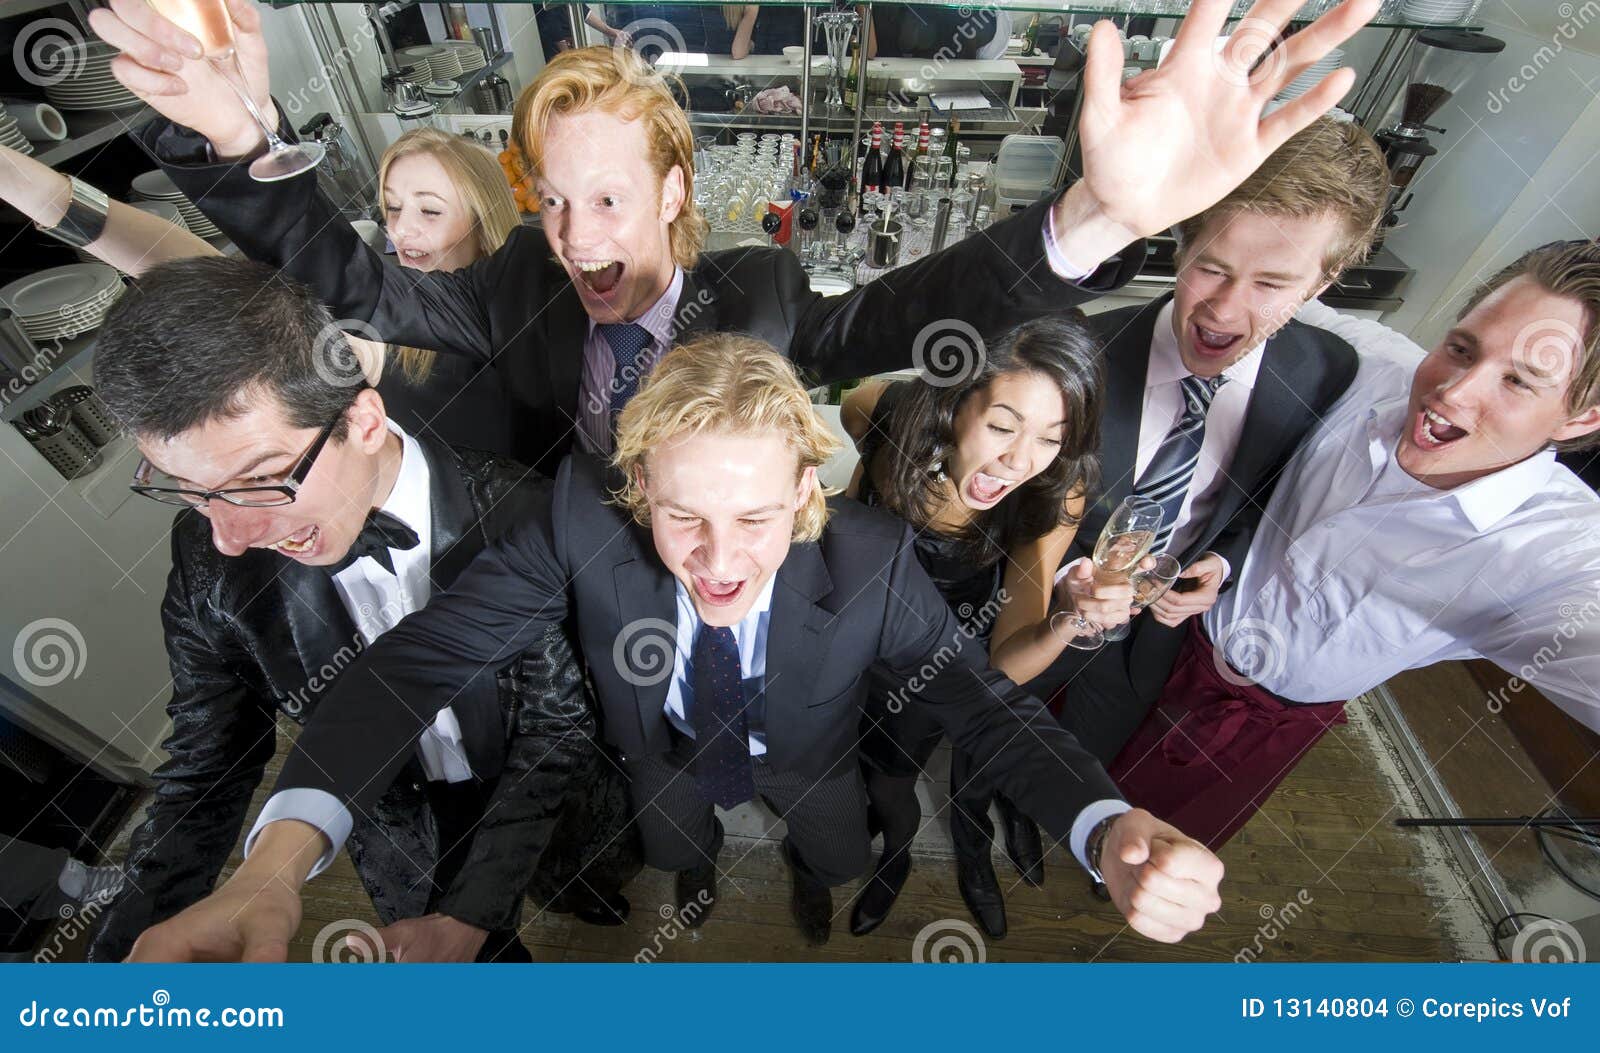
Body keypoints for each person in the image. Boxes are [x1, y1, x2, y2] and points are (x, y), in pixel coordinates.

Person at [122, 334, 1227, 960]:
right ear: (637, 485)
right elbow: (410, 667)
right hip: (659, 764)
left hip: (811, 764)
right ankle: (690, 876)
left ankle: (820, 881)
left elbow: (982, 707)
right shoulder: (576, 522)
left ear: (807, 490)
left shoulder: (874, 555)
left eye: (754, 519)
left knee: (833, 856)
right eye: (682, 515)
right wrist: (275, 866)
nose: (717, 559)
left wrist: (1102, 818)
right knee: (675, 848)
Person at [94, 0, 1379, 474]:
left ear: (671, 195)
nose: (575, 233)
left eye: (606, 199)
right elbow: (339, 276)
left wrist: (1098, 216)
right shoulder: (516, 286)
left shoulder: (759, 295)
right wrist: (237, 142)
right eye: (550, 197)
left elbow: (914, 310)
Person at [87, 257, 638, 963]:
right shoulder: (209, 559)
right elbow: (206, 764)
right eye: (192, 491)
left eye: (261, 480)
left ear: (364, 417)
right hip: (387, 822)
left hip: (545, 795)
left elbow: (557, 723)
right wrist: (110, 979)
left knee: (578, 886)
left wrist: (473, 909)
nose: (229, 535)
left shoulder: (523, 511)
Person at [1108, 239, 1600, 848]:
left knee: (1153, 842)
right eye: (1461, 348)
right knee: (1073, 771)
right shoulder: (1373, 367)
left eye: (1518, 381)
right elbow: (1279, 299)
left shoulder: (1562, 555)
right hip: (1164, 634)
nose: (1453, 392)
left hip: (1259, 723)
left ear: (1581, 418)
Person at [840, 315, 1135, 939]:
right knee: (887, 775)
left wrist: (1067, 620)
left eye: (1051, 439)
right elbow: (850, 414)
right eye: (1003, 426)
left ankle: (976, 853)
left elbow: (1003, 666)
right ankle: (894, 857)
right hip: (872, 648)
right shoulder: (880, 412)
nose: (1021, 461)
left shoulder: (1055, 491)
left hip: (962, 656)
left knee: (979, 762)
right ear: (953, 402)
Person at [5, 130, 515, 456]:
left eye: (430, 210)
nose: (403, 230)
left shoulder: (514, 313)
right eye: (393, 208)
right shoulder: (371, 301)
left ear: (485, 215)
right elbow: (177, 257)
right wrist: (38, 191)